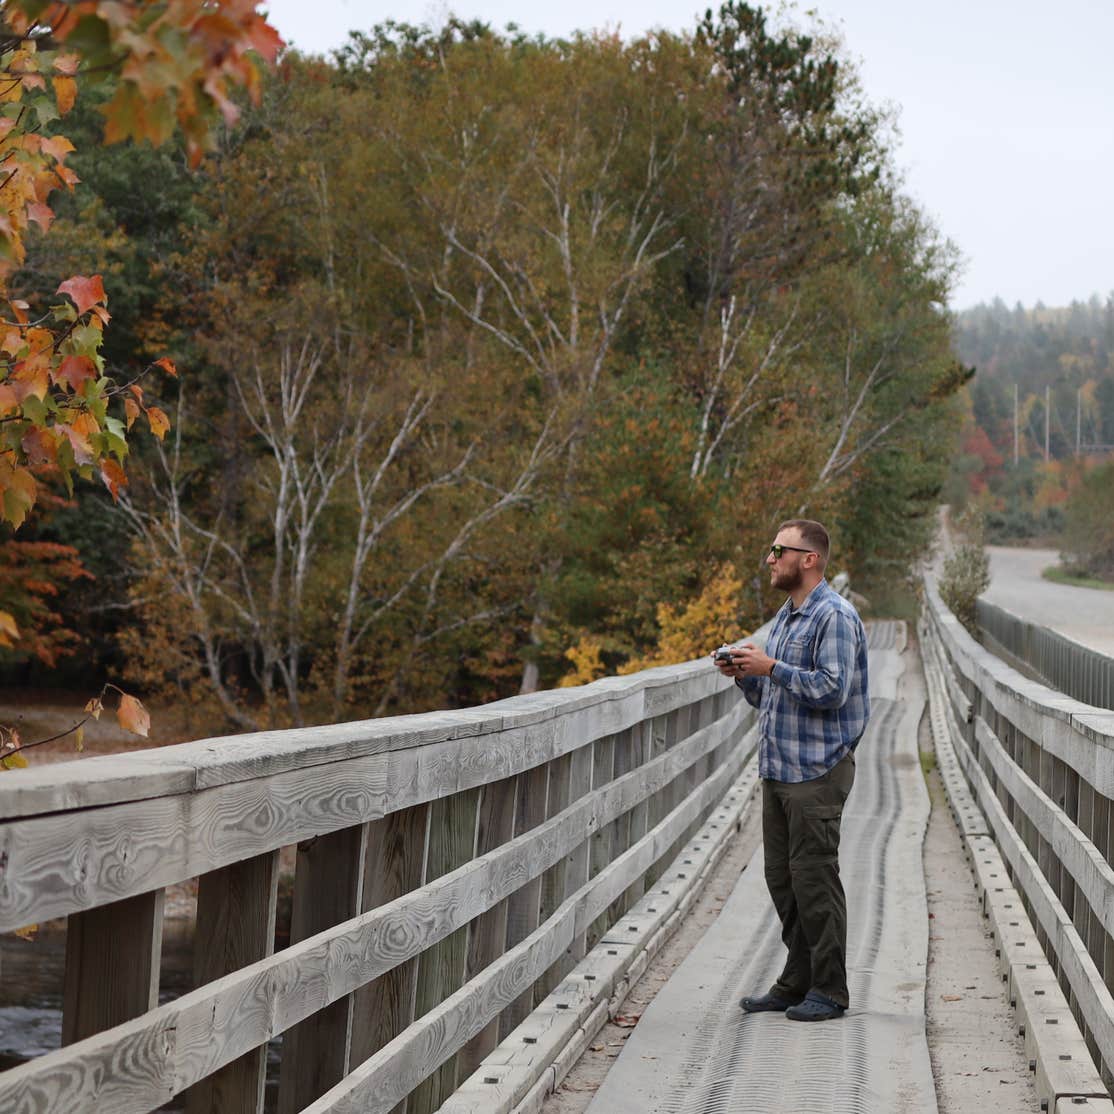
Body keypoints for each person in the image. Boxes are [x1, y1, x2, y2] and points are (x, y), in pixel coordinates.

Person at [713, 518, 869, 1022]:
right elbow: (771, 696)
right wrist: (744, 674)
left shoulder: (835, 617)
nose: (770, 558)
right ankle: (796, 980)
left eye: (779, 550)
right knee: (783, 879)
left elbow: (832, 690)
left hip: (817, 771)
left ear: (810, 559)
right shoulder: (786, 616)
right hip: (779, 768)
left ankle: (830, 989)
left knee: (815, 880)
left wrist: (772, 667)